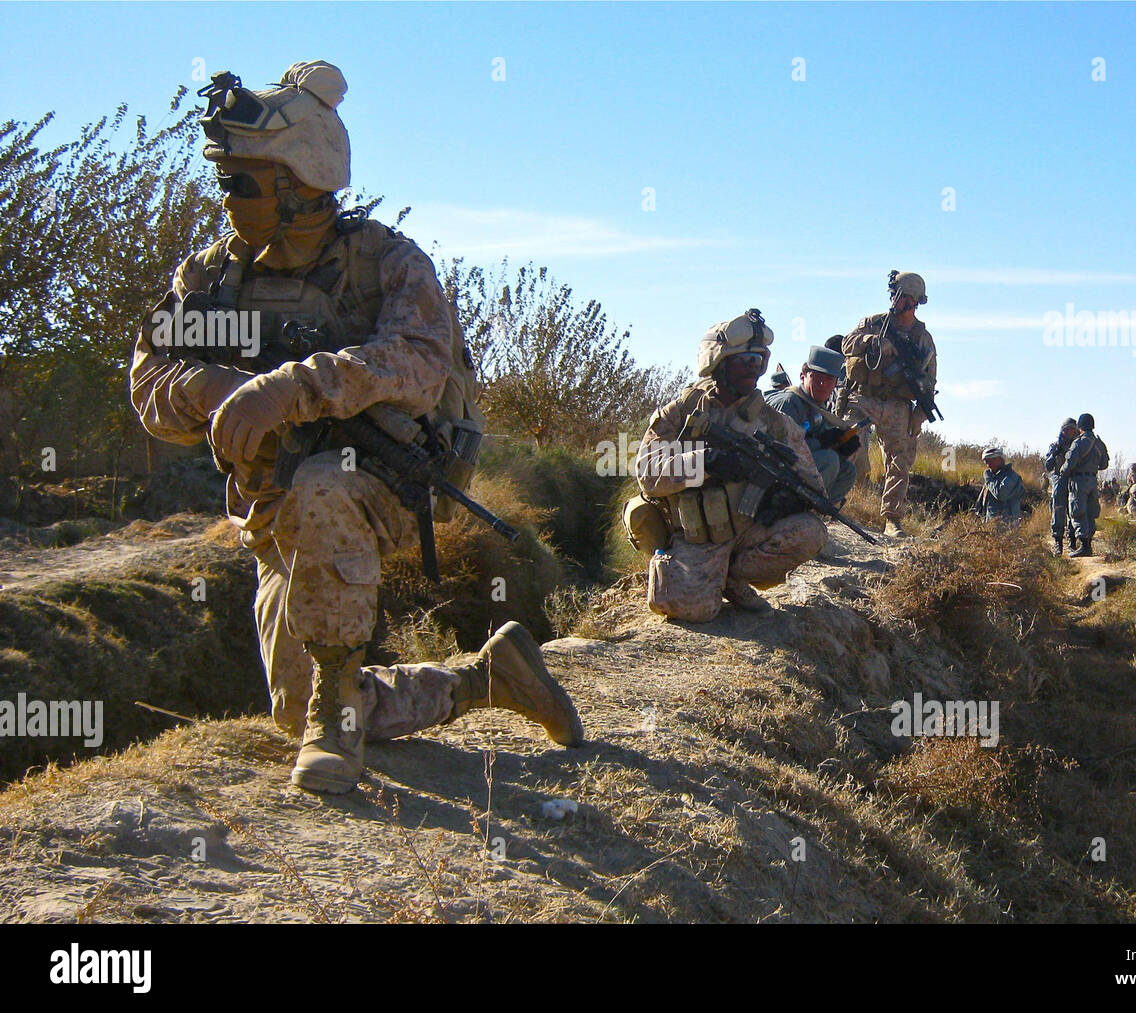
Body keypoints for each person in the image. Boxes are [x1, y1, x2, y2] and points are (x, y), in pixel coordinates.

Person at [129, 61, 582, 795]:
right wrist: (213, 388)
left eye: (242, 181)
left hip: (384, 487)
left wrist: (290, 391)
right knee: (289, 704)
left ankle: (336, 717)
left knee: (323, 485)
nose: (227, 197)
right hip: (270, 514)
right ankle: (487, 679)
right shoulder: (210, 280)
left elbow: (419, 363)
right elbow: (148, 381)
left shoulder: (388, 263)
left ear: (299, 179)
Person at [634, 309, 828, 623]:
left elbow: (813, 486)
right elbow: (647, 475)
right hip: (698, 534)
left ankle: (731, 577)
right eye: (743, 360)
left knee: (811, 532)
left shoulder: (775, 423)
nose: (753, 369)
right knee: (690, 611)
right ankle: (684, 571)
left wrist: (787, 498)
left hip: (749, 531)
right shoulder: (680, 414)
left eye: (758, 361)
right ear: (719, 363)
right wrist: (705, 462)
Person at [838, 271, 937, 538]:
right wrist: (871, 340)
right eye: (897, 296)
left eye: (905, 297)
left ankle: (892, 519)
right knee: (845, 444)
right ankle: (835, 503)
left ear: (915, 301)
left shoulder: (922, 339)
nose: (898, 301)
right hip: (864, 397)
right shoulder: (874, 323)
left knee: (900, 460)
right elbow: (846, 344)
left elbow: (930, 381)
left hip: (898, 405)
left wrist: (920, 413)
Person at [764, 345, 860, 506]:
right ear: (803, 376)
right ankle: (790, 509)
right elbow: (776, 450)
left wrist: (840, 445)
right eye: (817, 377)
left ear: (835, 383)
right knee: (829, 459)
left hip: (792, 470)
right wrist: (822, 443)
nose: (823, 383)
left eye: (829, 379)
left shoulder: (817, 408)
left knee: (847, 470)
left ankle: (814, 511)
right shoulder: (789, 402)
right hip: (770, 474)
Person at [1060, 412, 1109, 557]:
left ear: (1080, 426)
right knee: (1090, 512)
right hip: (1093, 481)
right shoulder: (1099, 443)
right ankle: (1088, 544)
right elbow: (1104, 464)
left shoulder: (1079, 442)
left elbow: (1068, 465)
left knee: (1078, 511)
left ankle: (1084, 546)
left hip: (1078, 482)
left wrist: (1063, 471)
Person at [1044, 418, 1080, 555]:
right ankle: (1058, 543)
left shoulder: (1078, 445)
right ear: (1062, 431)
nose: (1069, 432)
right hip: (1059, 479)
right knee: (1058, 510)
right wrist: (1055, 453)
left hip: (1074, 480)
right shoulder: (1055, 445)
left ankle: (1072, 542)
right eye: (1067, 429)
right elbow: (1047, 466)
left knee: (1074, 511)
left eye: (1072, 429)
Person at [977, 448, 1025, 525]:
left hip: (1007, 527)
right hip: (991, 525)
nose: (988, 465)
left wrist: (989, 479)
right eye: (986, 462)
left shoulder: (1011, 476)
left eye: (990, 461)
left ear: (999, 459)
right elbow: (983, 500)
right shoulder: (993, 476)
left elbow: (1000, 495)